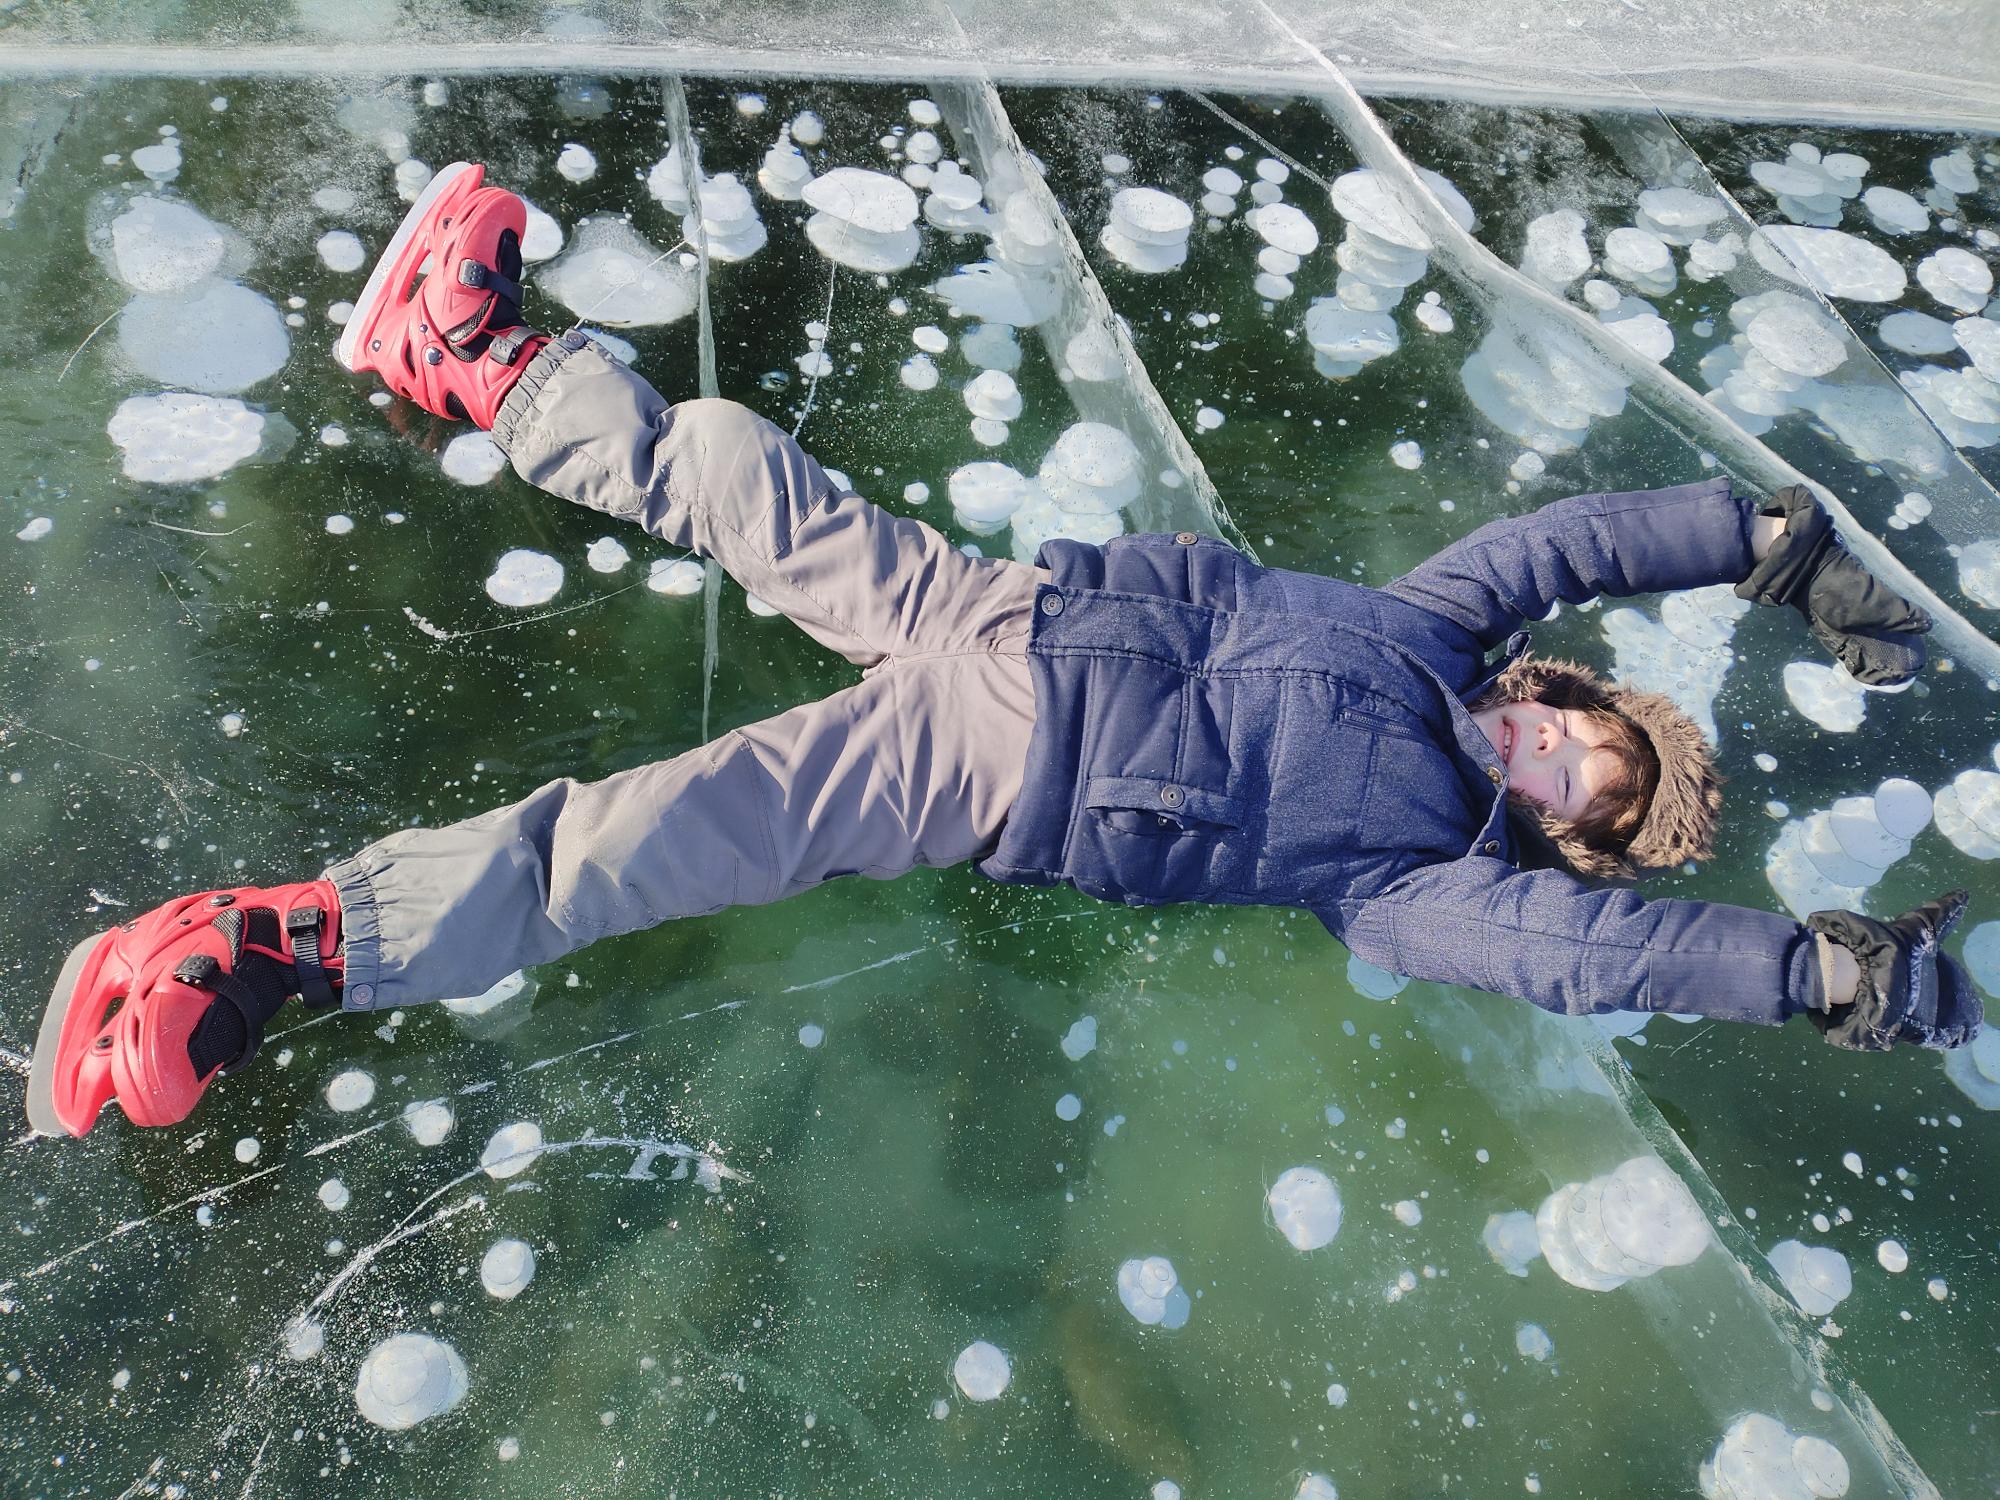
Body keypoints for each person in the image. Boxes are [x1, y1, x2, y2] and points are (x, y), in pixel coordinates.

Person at [26, 162, 1980, 1139]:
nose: (1562, 776)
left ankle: (272, 953)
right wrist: (1766, 544)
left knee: (622, 844)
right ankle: (473, 367)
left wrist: (1801, 969)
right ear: (1559, 694)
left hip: (992, 775)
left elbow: (1591, 953)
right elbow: (1573, 537)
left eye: (1587, 810)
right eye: (1587, 747)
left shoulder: (1417, 886)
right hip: (996, 612)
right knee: (729, 466)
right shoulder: (1434, 627)